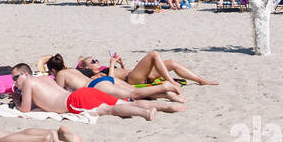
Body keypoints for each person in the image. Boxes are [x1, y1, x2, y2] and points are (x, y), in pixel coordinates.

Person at [12, 64, 184, 119]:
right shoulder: (44, 79)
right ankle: (166, 106)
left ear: (25, 74)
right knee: (127, 100)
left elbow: (26, 109)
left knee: (110, 109)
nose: (15, 82)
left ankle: (145, 113)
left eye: (15, 78)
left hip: (73, 102)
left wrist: (16, 100)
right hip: (83, 93)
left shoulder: (28, 83)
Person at [37, 54, 186, 102]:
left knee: (133, 94)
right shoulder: (72, 70)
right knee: (134, 94)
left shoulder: (62, 75)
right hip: (108, 80)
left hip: (97, 86)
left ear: (53, 70)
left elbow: (59, 94)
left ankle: (165, 86)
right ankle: (168, 94)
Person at [83, 50, 216, 87]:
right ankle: (170, 80)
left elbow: (124, 72)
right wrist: (112, 64)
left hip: (136, 75)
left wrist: (122, 64)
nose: (97, 61)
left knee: (172, 62)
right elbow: (110, 82)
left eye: (96, 59)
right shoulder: (97, 75)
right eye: (93, 61)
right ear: (87, 67)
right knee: (154, 54)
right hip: (133, 80)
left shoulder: (105, 68)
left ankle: (200, 80)